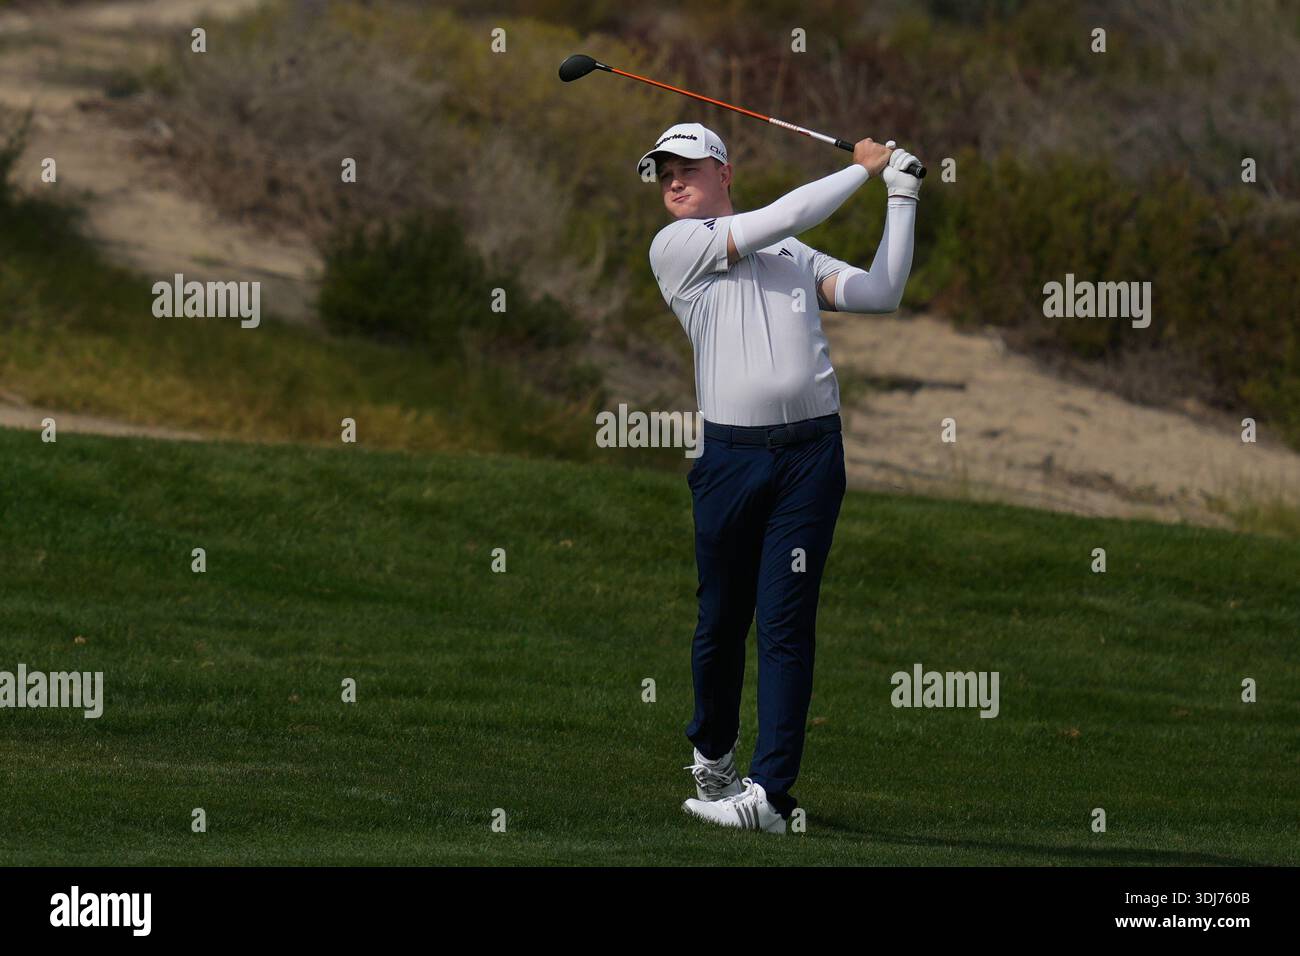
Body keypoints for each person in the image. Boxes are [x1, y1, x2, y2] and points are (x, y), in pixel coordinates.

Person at [640, 122, 921, 834]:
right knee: (722, 620)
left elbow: (880, 292)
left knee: (787, 623)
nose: (672, 180)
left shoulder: (790, 254)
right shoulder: (677, 248)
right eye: (663, 171)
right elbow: (785, 214)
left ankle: (770, 795)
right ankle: (712, 753)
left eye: (688, 168)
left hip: (811, 459)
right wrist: (862, 169)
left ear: (724, 172)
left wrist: (901, 193)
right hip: (731, 459)